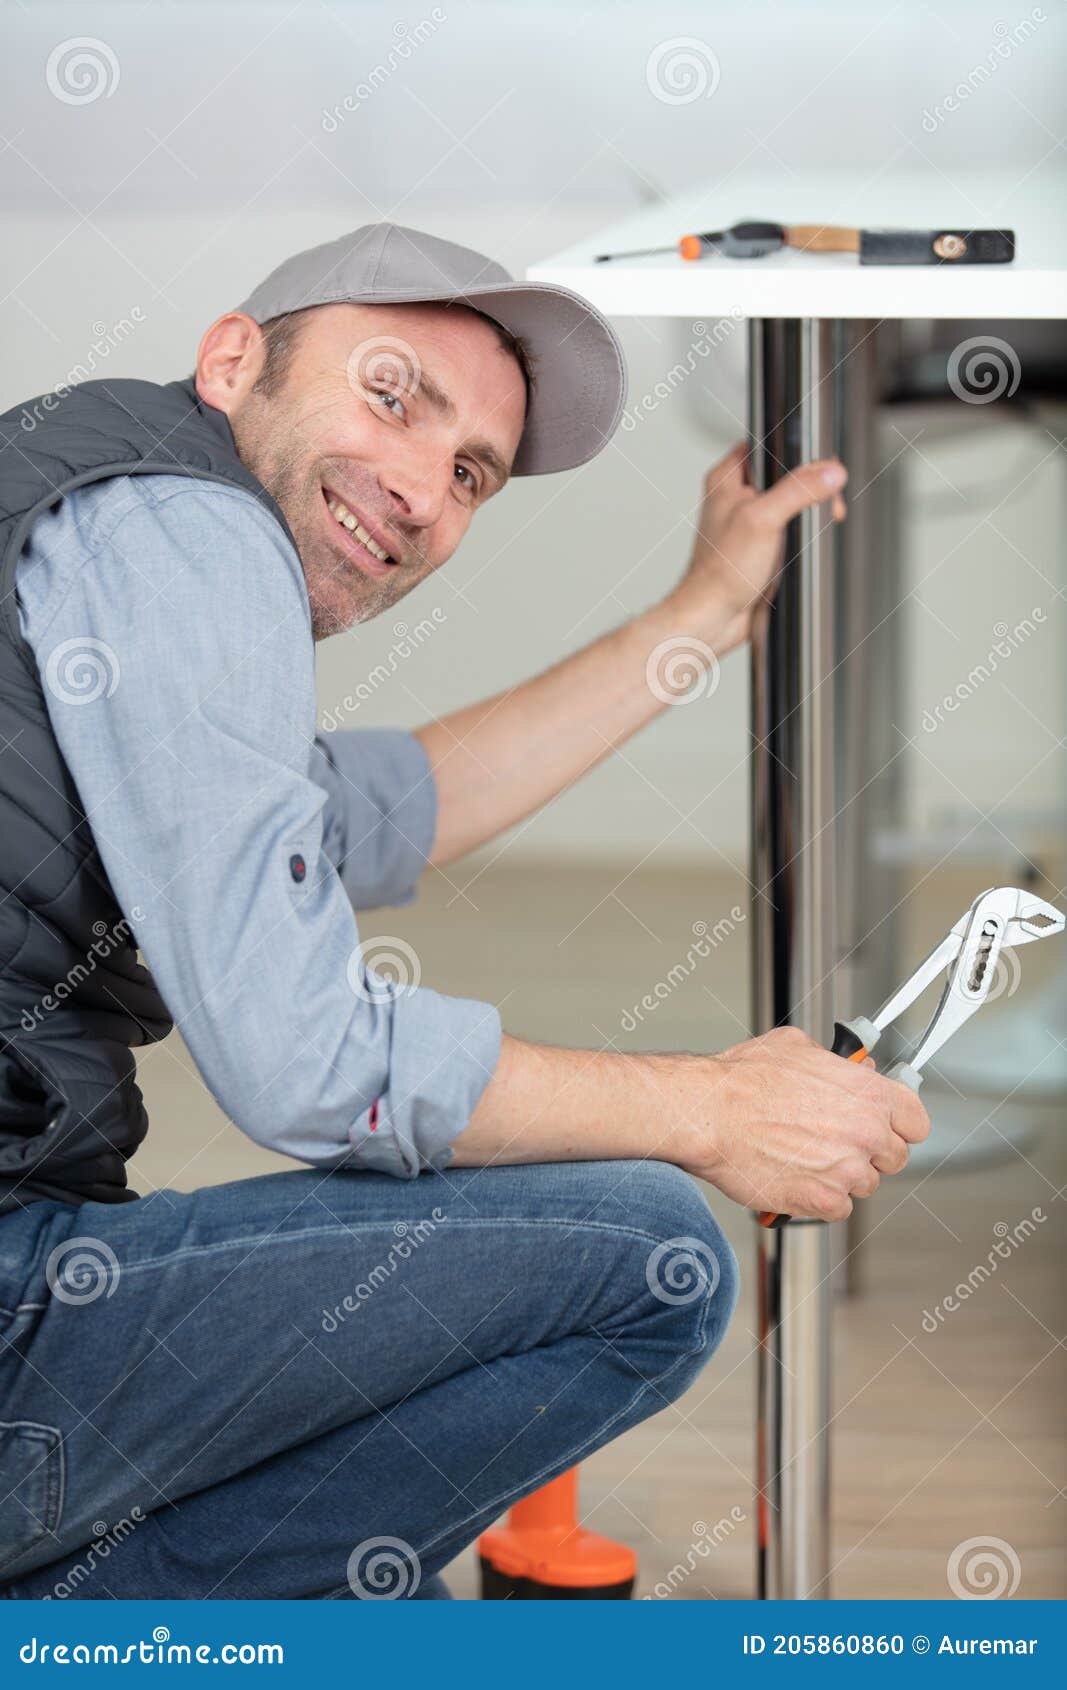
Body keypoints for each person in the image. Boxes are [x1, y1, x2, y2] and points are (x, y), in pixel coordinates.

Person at [0, 223, 928, 1599]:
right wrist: (719, 1109)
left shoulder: (97, 508)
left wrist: (703, 617)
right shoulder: (185, 528)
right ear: (233, 358)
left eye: (470, 471)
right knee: (648, 1258)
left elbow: (388, 802)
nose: (425, 490)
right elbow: (303, 1061)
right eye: (393, 396)